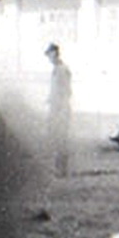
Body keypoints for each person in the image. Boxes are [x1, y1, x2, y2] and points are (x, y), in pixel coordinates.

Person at [46, 42, 73, 177]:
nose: (49, 58)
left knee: (61, 139)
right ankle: (58, 169)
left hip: (61, 109)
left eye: (50, 54)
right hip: (55, 108)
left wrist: (60, 108)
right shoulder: (56, 69)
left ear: (55, 54)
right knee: (56, 139)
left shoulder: (62, 69)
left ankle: (61, 170)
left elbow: (65, 91)